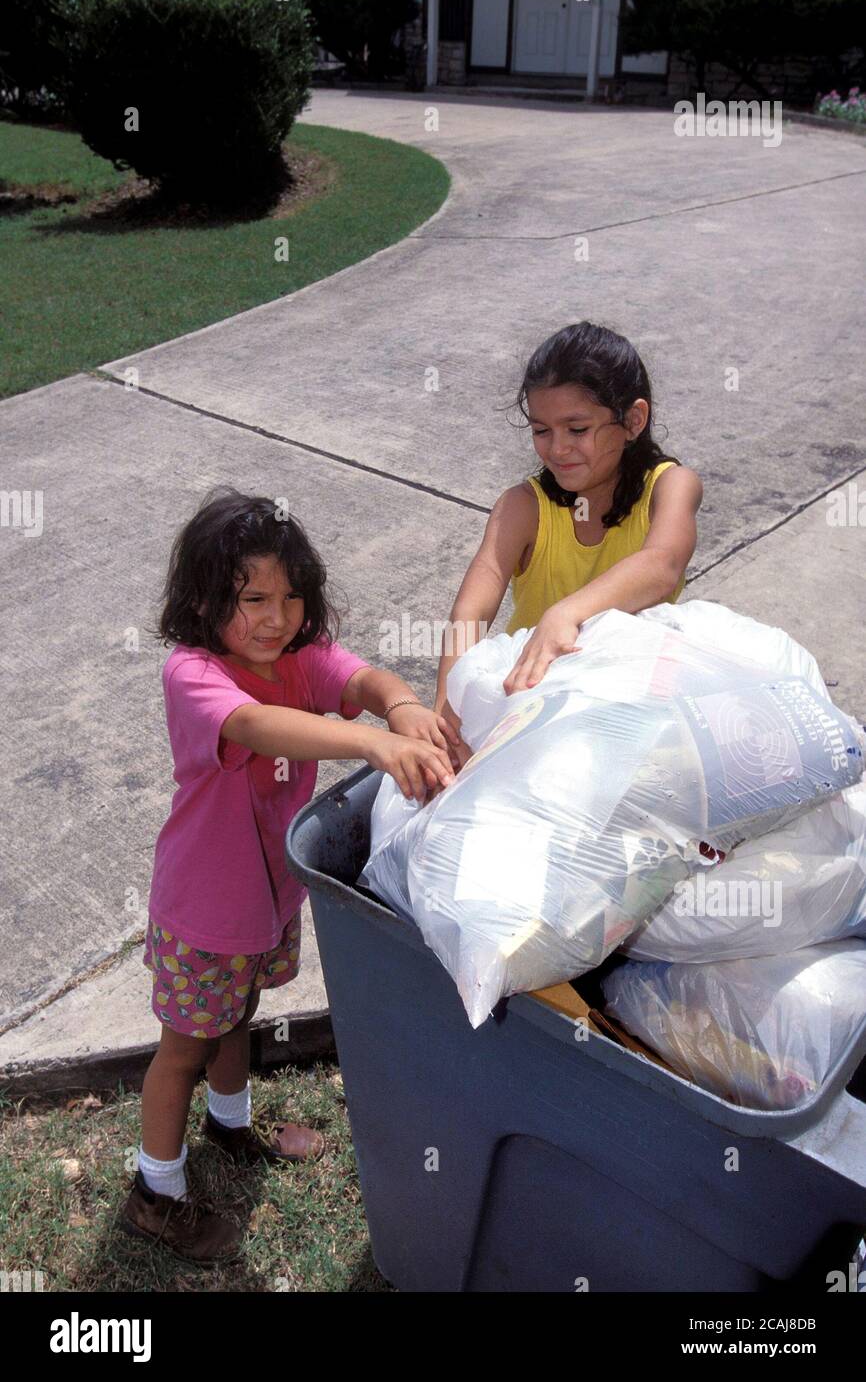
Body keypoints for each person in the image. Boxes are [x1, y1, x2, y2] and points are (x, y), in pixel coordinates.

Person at [121, 488, 456, 1265]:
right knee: (182, 1047)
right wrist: (371, 746)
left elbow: (359, 678)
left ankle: (229, 1123)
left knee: (236, 1015)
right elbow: (258, 725)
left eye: (290, 596)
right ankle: (155, 1191)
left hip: (269, 897)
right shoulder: (194, 674)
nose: (275, 617)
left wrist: (400, 707)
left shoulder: (300, 655)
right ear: (204, 601)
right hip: (204, 909)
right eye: (252, 599)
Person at [434, 321, 703, 736]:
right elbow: (472, 611)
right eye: (542, 430)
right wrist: (449, 707)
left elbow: (661, 564)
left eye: (577, 430)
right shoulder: (523, 507)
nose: (557, 449)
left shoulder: (669, 487)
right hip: (531, 709)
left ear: (633, 420)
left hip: (635, 705)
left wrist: (565, 614)